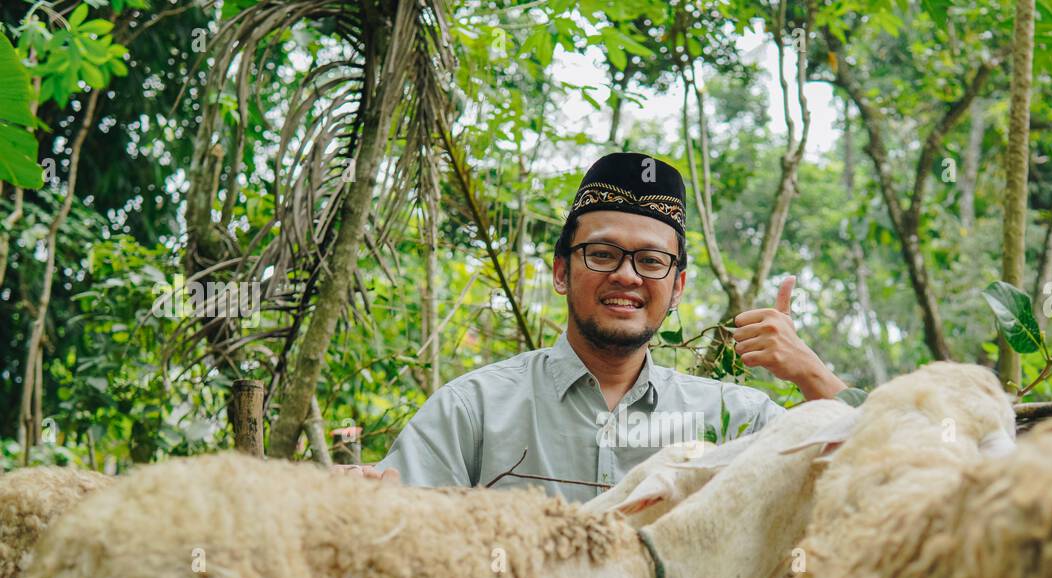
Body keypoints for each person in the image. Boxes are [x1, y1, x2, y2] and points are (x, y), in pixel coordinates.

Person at [340, 152, 848, 502]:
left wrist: (814, 377)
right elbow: (399, 523)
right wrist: (360, 498)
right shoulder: (472, 410)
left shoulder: (736, 420)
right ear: (562, 271)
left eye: (651, 260)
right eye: (602, 253)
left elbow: (882, 484)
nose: (626, 275)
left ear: (677, 288)